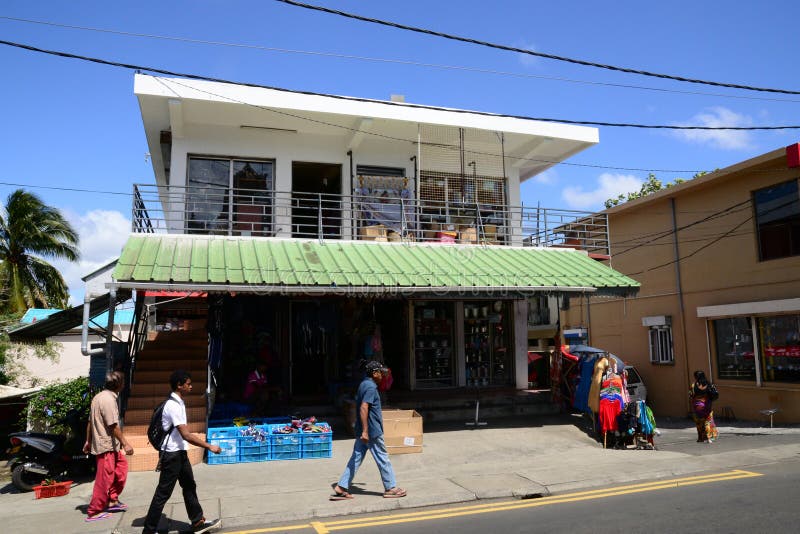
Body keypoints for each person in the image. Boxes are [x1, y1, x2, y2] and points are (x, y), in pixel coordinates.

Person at [142, 370, 222, 534]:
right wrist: (209, 446)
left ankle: (197, 522)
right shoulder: (173, 405)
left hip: (179, 453)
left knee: (189, 486)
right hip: (172, 455)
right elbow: (185, 435)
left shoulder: (178, 402)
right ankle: (149, 530)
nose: (191, 386)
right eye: (188, 384)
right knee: (163, 493)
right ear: (179, 385)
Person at [331, 360, 406, 500]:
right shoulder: (370, 387)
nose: (382, 375)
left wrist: (362, 431)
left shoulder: (364, 384)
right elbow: (364, 407)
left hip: (363, 431)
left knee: (356, 459)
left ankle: (341, 486)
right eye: (380, 373)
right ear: (374, 373)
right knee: (383, 458)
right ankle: (390, 487)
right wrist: (366, 431)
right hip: (371, 432)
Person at [83, 371, 134, 522]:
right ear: (119, 384)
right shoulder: (108, 400)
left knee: (121, 470)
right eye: (123, 381)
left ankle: (112, 500)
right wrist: (126, 443)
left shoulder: (99, 397)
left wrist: (88, 441)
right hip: (106, 446)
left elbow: (90, 422)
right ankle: (94, 511)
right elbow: (113, 425)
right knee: (104, 478)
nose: (124, 384)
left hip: (111, 445)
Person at [690, 370, 719, 443]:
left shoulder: (693, 385)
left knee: (699, 423)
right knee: (708, 421)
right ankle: (709, 437)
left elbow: (691, 395)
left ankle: (700, 438)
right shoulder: (709, 384)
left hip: (697, 406)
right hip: (707, 405)